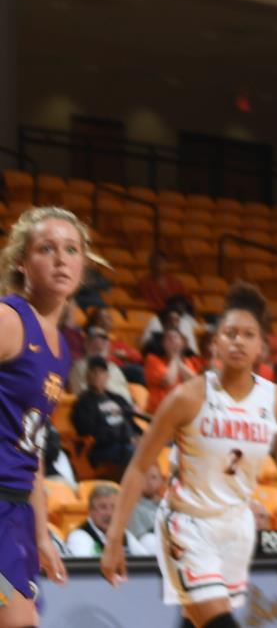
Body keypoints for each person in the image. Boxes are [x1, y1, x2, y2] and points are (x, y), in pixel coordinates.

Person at [100, 282, 277, 628]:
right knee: (220, 623)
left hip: (236, 527)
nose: (238, 340)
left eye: (248, 334)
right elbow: (140, 466)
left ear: (261, 346)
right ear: (215, 342)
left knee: (196, 621)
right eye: (229, 333)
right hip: (186, 525)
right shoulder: (187, 397)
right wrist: (114, 538)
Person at [0, 207, 92, 622]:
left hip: (16, 510)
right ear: (22, 261)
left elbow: (32, 444)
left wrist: (41, 534)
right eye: (47, 248)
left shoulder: (62, 349)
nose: (61, 258)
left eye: (71, 249)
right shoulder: (9, 319)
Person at [70, 357, 140, 474]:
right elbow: (90, 431)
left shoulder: (117, 399)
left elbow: (130, 421)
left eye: (101, 371)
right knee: (131, 451)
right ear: (87, 376)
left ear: (107, 376)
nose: (97, 375)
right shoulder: (83, 402)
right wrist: (126, 438)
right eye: (93, 371)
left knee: (153, 445)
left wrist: (139, 436)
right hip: (101, 448)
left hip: (124, 444)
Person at [66, 483, 152, 558]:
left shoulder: (124, 534)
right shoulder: (79, 537)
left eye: (114, 507)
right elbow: (84, 571)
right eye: (103, 507)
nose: (109, 513)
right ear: (90, 511)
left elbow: (145, 561)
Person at [143, 323, 202, 412]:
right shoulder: (152, 360)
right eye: (169, 339)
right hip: (158, 412)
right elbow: (168, 381)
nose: (173, 341)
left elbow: (194, 382)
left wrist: (178, 360)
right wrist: (174, 357)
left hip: (181, 411)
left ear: (182, 343)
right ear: (163, 343)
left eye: (175, 338)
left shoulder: (187, 362)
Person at [68, 322, 132, 398]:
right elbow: (82, 393)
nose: (100, 343)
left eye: (103, 340)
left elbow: (126, 394)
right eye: (94, 339)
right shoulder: (79, 366)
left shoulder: (114, 368)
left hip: (121, 406)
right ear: (86, 343)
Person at [126, 463, 164, 548]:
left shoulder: (167, 506)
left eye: (153, 477)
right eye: (144, 476)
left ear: (161, 481)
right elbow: (141, 541)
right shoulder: (130, 507)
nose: (149, 481)